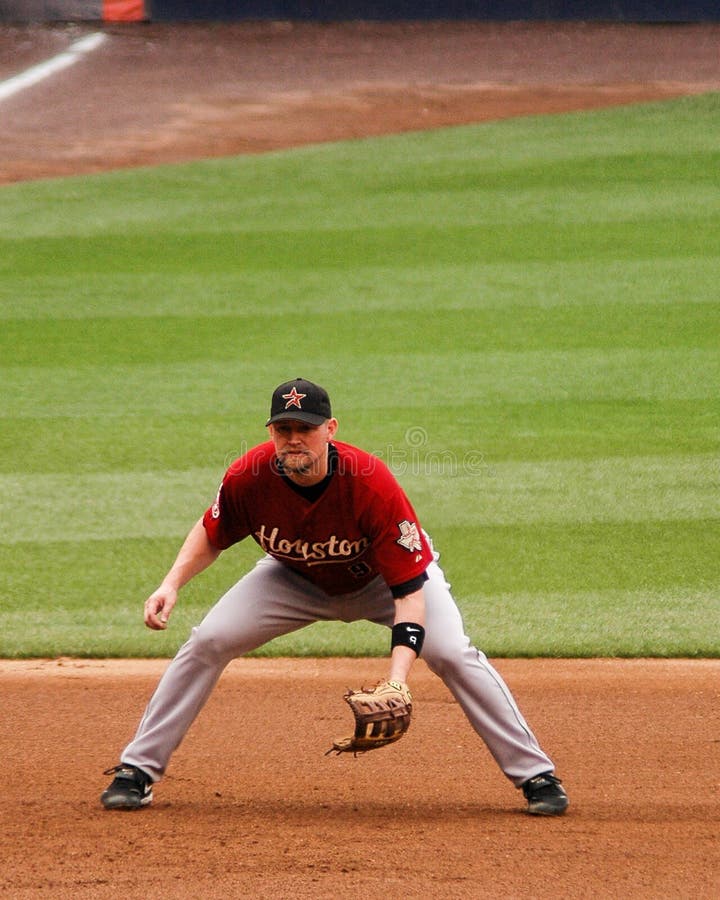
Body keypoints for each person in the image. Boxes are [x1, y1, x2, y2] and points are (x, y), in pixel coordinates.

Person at [101, 378, 568, 816]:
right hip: (294, 579)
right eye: (283, 429)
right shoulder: (249, 475)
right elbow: (212, 532)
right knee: (208, 641)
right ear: (271, 432)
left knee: (452, 652)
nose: (294, 439)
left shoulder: (371, 485)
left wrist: (397, 680)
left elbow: (408, 591)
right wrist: (170, 584)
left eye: (305, 428)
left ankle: (537, 776)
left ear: (330, 430)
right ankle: (138, 768)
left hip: (381, 582)